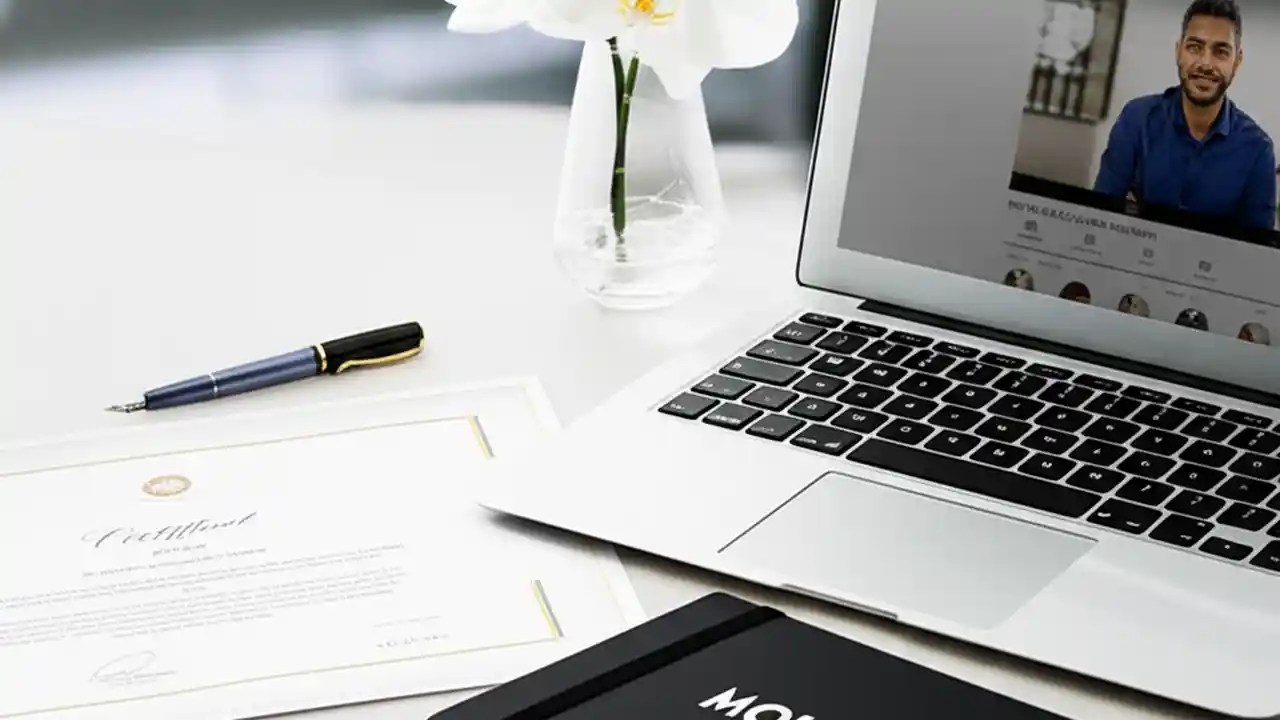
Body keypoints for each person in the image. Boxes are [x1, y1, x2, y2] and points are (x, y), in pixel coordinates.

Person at [1094, 0, 1277, 231]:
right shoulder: (1136, 119)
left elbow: (1255, 251)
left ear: (1237, 61)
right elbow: (1099, 216)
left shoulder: (1258, 150)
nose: (1205, 63)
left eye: (1220, 52)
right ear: (1178, 51)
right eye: (1195, 47)